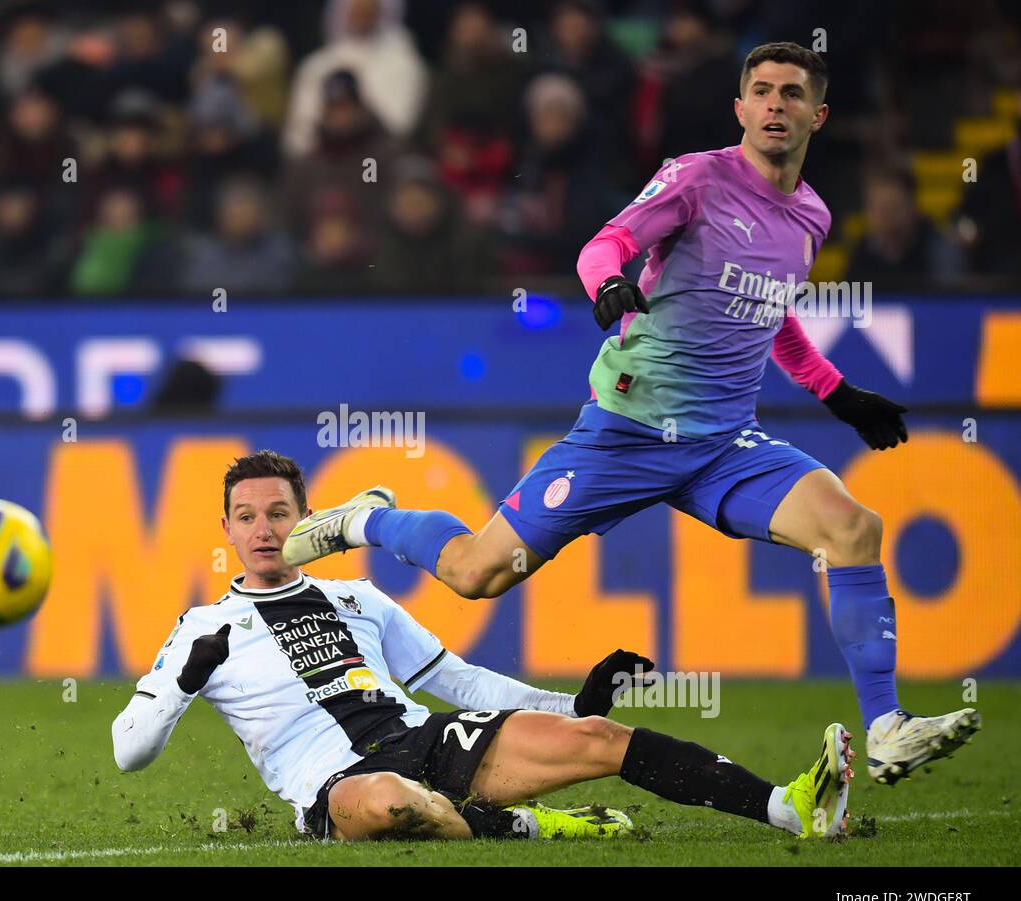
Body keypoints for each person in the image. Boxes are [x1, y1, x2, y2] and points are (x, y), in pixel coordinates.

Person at [283, 43, 981, 787]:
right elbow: (606, 244)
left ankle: (886, 729)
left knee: (854, 528)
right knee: (475, 573)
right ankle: (365, 519)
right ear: (740, 108)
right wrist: (608, 284)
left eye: (793, 93)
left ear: (819, 114)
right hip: (624, 433)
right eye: (763, 91)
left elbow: (771, 315)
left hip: (724, 446)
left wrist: (837, 392)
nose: (777, 104)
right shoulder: (698, 178)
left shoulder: (810, 216)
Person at [113, 451, 854, 842]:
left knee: (598, 738)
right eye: (247, 517)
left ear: (309, 518)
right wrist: (185, 681)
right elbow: (129, 751)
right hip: (339, 787)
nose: (264, 529)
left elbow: (460, 683)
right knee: (390, 805)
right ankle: (532, 827)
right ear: (227, 531)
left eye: (279, 513)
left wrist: (571, 704)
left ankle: (790, 808)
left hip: (433, 743)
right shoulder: (201, 629)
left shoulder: (357, 599)